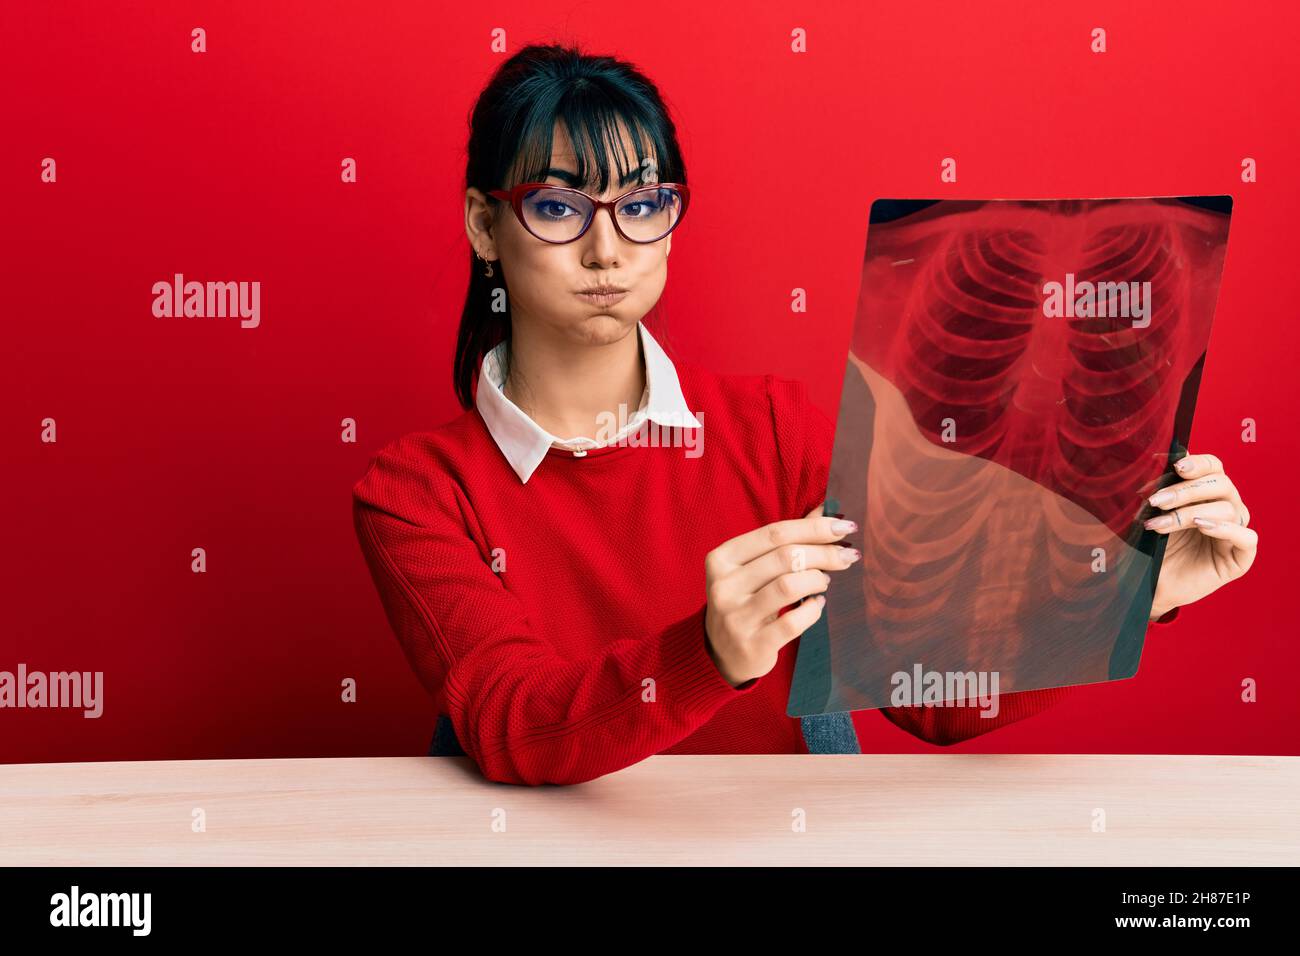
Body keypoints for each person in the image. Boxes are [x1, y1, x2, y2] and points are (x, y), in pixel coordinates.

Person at [351, 43, 1258, 786]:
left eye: (642, 205)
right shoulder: (415, 492)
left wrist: (1136, 596)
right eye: (557, 206)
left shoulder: (772, 431)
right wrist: (707, 650)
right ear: (483, 223)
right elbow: (514, 725)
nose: (606, 248)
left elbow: (930, 691)